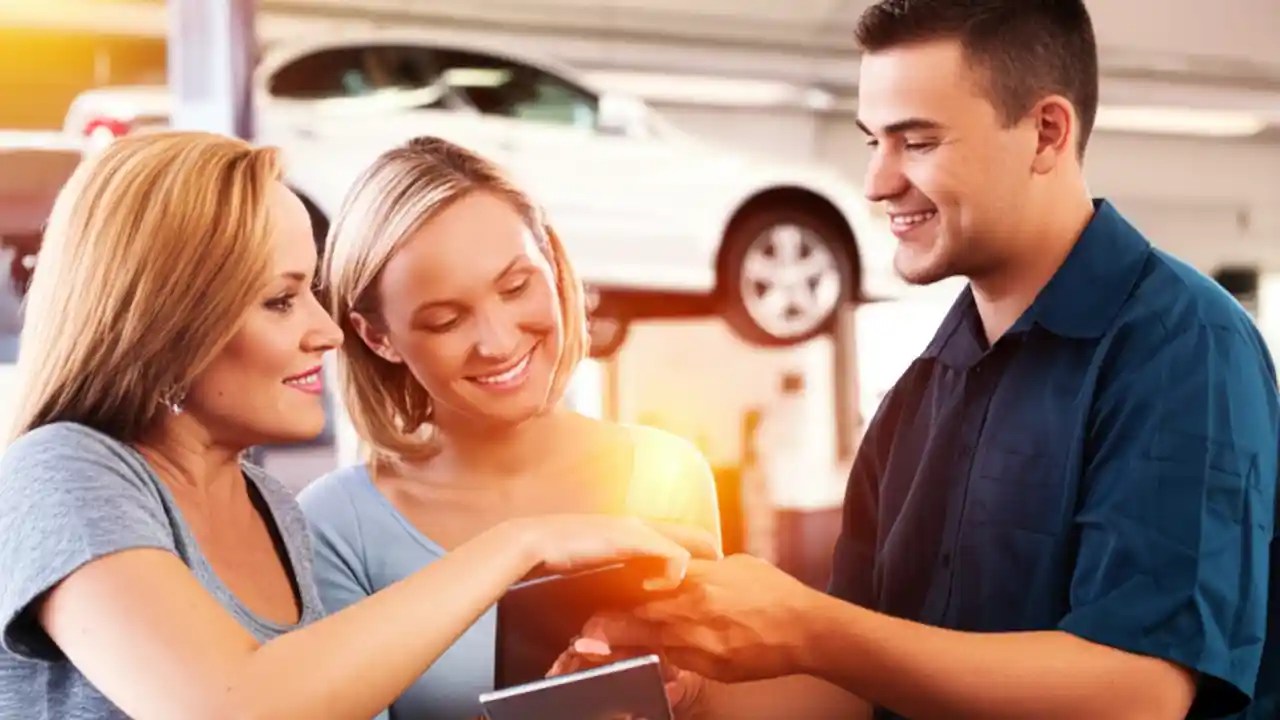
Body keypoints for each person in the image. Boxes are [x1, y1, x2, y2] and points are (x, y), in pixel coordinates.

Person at [567, 1, 1280, 719]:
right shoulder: (920, 391)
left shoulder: (1182, 345)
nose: (877, 182)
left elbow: (1138, 695)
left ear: (1046, 132)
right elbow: (856, 686)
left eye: (917, 142)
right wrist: (690, 687)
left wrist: (809, 627)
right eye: (873, 141)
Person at [0, 130, 716, 720]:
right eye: (281, 301)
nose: (328, 332)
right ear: (167, 323)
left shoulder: (271, 511)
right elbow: (232, 709)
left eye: (309, 292)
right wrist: (523, 542)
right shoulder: (61, 472)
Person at [296, 135, 723, 720]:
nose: (497, 342)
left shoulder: (667, 472)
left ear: (552, 262)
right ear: (377, 337)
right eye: (445, 320)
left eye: (516, 287)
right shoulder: (337, 526)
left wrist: (690, 694)